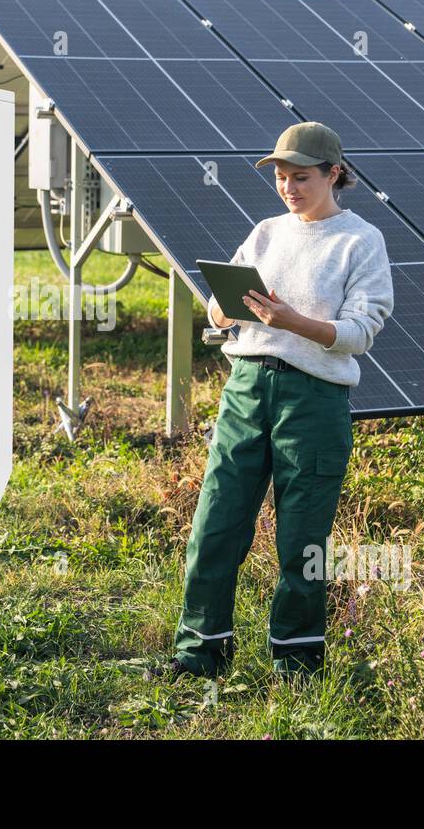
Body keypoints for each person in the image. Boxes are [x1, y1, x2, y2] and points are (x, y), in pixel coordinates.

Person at [165, 121, 394, 681]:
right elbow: (223, 314)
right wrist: (222, 311)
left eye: (301, 176)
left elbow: (362, 331)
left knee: (302, 542)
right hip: (244, 389)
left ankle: (295, 666)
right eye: (282, 177)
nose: (289, 187)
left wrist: (293, 321)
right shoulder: (266, 232)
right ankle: (199, 656)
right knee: (214, 526)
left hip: (313, 400)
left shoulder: (360, 241)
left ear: (334, 174)